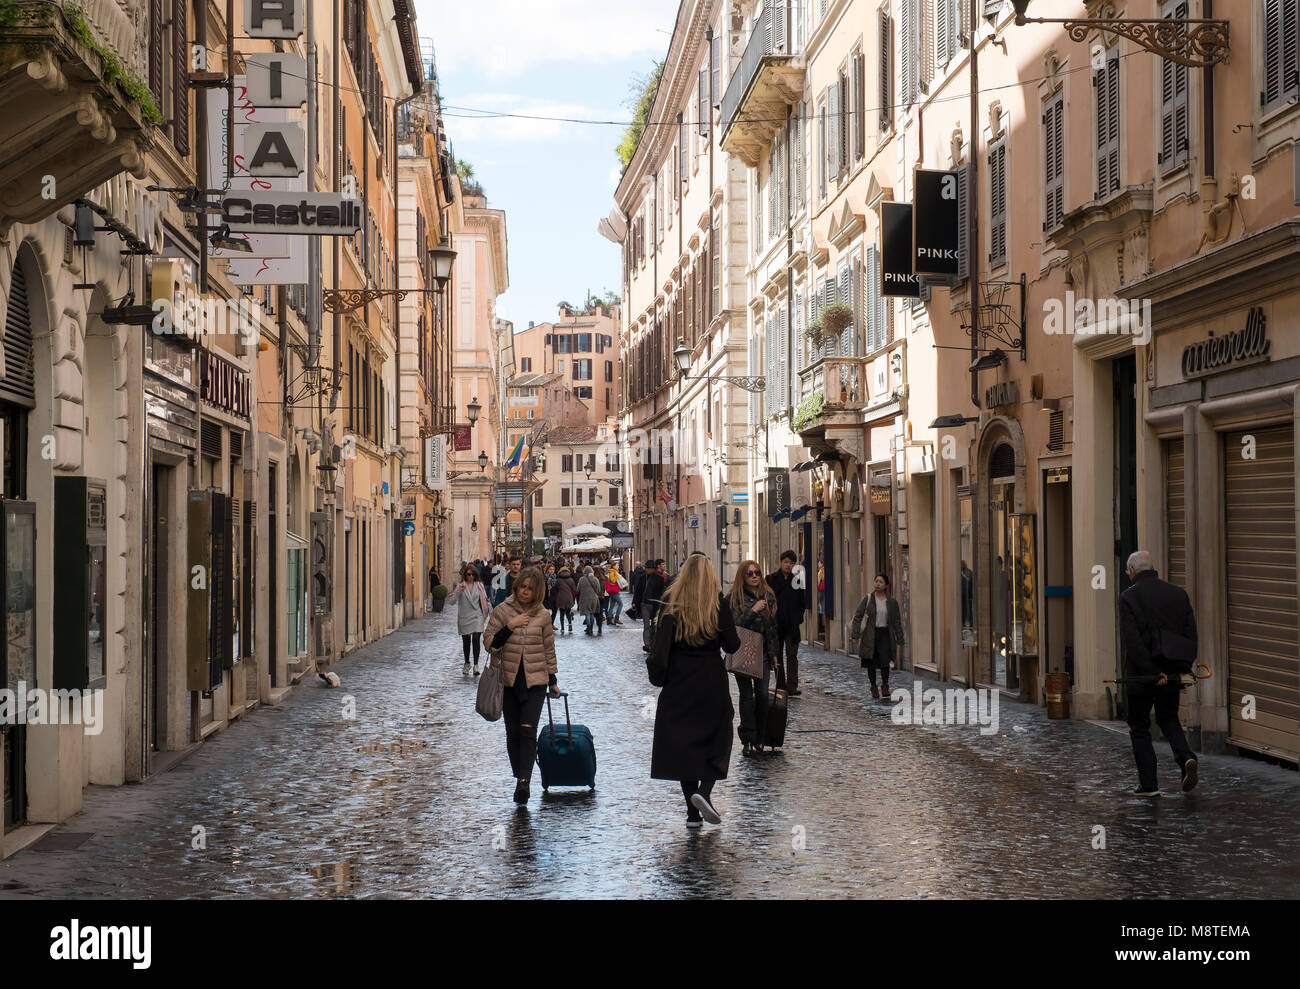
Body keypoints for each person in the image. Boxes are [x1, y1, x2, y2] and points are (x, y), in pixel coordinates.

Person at [647, 555, 741, 829]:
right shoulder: (718, 605)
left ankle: (692, 812)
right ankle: (706, 791)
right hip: (710, 678)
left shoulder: (671, 607)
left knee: (681, 742)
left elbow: (659, 647)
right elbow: (732, 646)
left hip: (679, 680)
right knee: (719, 733)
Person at [1119, 550, 1199, 796]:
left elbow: (1132, 642)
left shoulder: (1128, 597)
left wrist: (1153, 672)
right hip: (1172, 671)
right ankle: (1185, 758)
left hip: (1141, 675)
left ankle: (1149, 785)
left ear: (1132, 571)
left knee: (1140, 726)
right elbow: (1190, 636)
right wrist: (1179, 669)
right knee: (1168, 718)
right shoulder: (1178, 594)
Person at [484, 567, 561, 805]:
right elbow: (489, 643)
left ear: (537, 591)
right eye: (522, 587)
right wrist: (511, 625)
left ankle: (523, 783)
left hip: (535, 681)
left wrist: (553, 680)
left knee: (528, 731)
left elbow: (548, 649)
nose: (525, 592)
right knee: (513, 733)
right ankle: (520, 773)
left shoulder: (543, 615)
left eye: (530, 588)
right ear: (516, 587)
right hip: (507, 681)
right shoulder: (502, 610)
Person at [729, 560, 780, 757]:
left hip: (764, 652)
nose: (754, 576)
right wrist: (753, 610)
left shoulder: (769, 597)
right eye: (749, 573)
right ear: (743, 576)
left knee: (762, 696)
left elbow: (773, 629)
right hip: (743, 650)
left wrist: (775, 654)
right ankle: (747, 739)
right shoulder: (734, 598)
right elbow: (735, 625)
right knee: (745, 696)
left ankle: (760, 736)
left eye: (757, 572)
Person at [850, 574, 905, 702]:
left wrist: (900, 638)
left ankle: (885, 685)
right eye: (876, 581)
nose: (877, 584)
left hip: (885, 634)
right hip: (871, 634)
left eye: (880, 582)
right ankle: (873, 686)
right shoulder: (868, 599)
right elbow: (858, 616)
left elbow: (896, 621)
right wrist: (856, 634)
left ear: (886, 585)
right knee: (872, 663)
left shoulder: (891, 602)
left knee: (885, 662)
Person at [766, 551, 805, 695]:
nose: (788, 565)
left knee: (792, 654)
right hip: (776, 624)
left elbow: (802, 603)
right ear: (781, 562)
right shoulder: (770, 579)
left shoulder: (798, 581)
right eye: (786, 562)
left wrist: (798, 618)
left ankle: (792, 685)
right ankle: (781, 684)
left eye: (791, 563)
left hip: (792, 625)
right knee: (777, 654)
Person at [445, 565, 492, 675]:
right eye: (468, 574)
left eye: (473, 574)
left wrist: (489, 612)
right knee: (466, 641)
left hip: (477, 616)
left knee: (476, 639)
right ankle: (467, 663)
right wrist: (458, 592)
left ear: (476, 575)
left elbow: (485, 600)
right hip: (465, 616)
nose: (471, 576)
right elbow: (451, 602)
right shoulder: (461, 586)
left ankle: (476, 665)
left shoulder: (479, 586)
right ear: (465, 575)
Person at [641, 560, 667, 652]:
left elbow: (661, 592)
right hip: (645, 604)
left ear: (653, 569)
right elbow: (638, 590)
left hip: (655, 604)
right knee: (646, 625)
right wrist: (635, 602)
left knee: (654, 625)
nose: (647, 570)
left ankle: (653, 643)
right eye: (646, 568)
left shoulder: (659, 579)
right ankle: (647, 644)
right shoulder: (642, 577)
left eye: (649, 568)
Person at [577, 565, 604, 636]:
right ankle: (591, 628)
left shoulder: (581, 579)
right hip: (594, 599)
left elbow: (578, 589)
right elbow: (598, 590)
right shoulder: (595, 579)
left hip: (584, 599)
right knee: (592, 613)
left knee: (587, 613)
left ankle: (589, 628)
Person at [553, 566, 578, 634]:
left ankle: (562, 628)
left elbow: (555, 589)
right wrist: (573, 599)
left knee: (561, 613)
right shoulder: (571, 580)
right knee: (568, 613)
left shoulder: (558, 580)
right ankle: (570, 625)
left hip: (561, 598)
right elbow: (574, 590)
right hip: (569, 598)